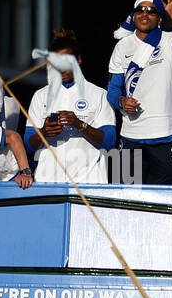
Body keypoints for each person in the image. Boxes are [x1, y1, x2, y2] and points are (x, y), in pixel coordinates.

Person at [106, 0, 172, 185]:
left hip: (165, 136)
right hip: (130, 137)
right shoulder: (122, 47)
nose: (145, 14)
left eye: (151, 11)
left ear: (160, 18)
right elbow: (112, 90)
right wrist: (121, 101)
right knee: (127, 198)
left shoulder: (170, 41)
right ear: (133, 16)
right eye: (140, 10)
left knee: (169, 198)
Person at [24, 29, 116, 183]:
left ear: (78, 60)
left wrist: (79, 124)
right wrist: (44, 132)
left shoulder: (98, 94)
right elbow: (28, 145)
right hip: (49, 183)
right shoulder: (40, 96)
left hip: (89, 184)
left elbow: (110, 141)